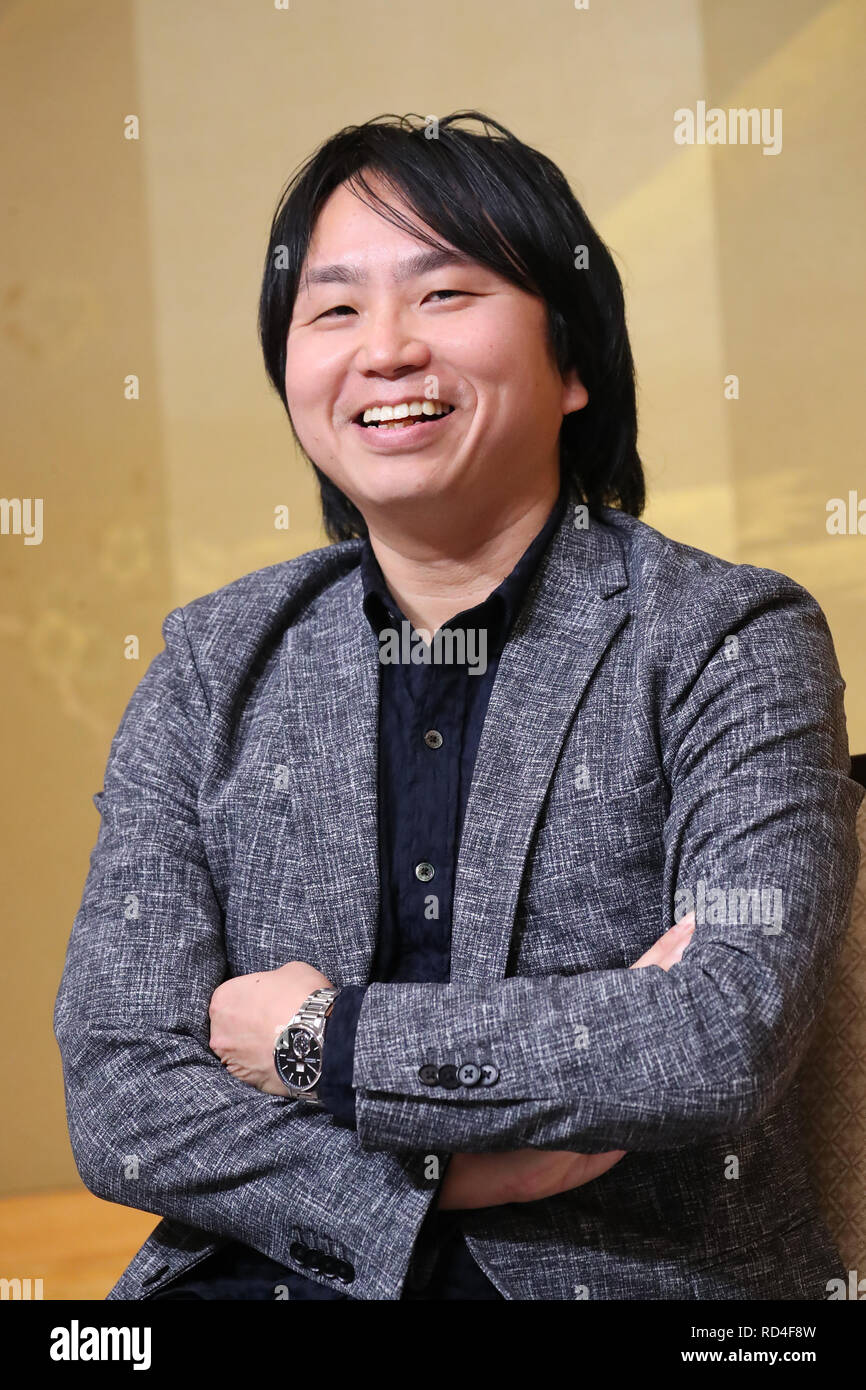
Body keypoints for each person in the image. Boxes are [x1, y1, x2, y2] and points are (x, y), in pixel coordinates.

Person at [55, 111, 863, 1301]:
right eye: (332, 310)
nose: (383, 350)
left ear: (574, 361)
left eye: (443, 294)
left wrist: (315, 1039)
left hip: (628, 1276)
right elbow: (120, 1093)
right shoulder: (211, 660)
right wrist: (442, 1176)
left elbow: (712, 1037)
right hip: (258, 1273)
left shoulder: (725, 636)